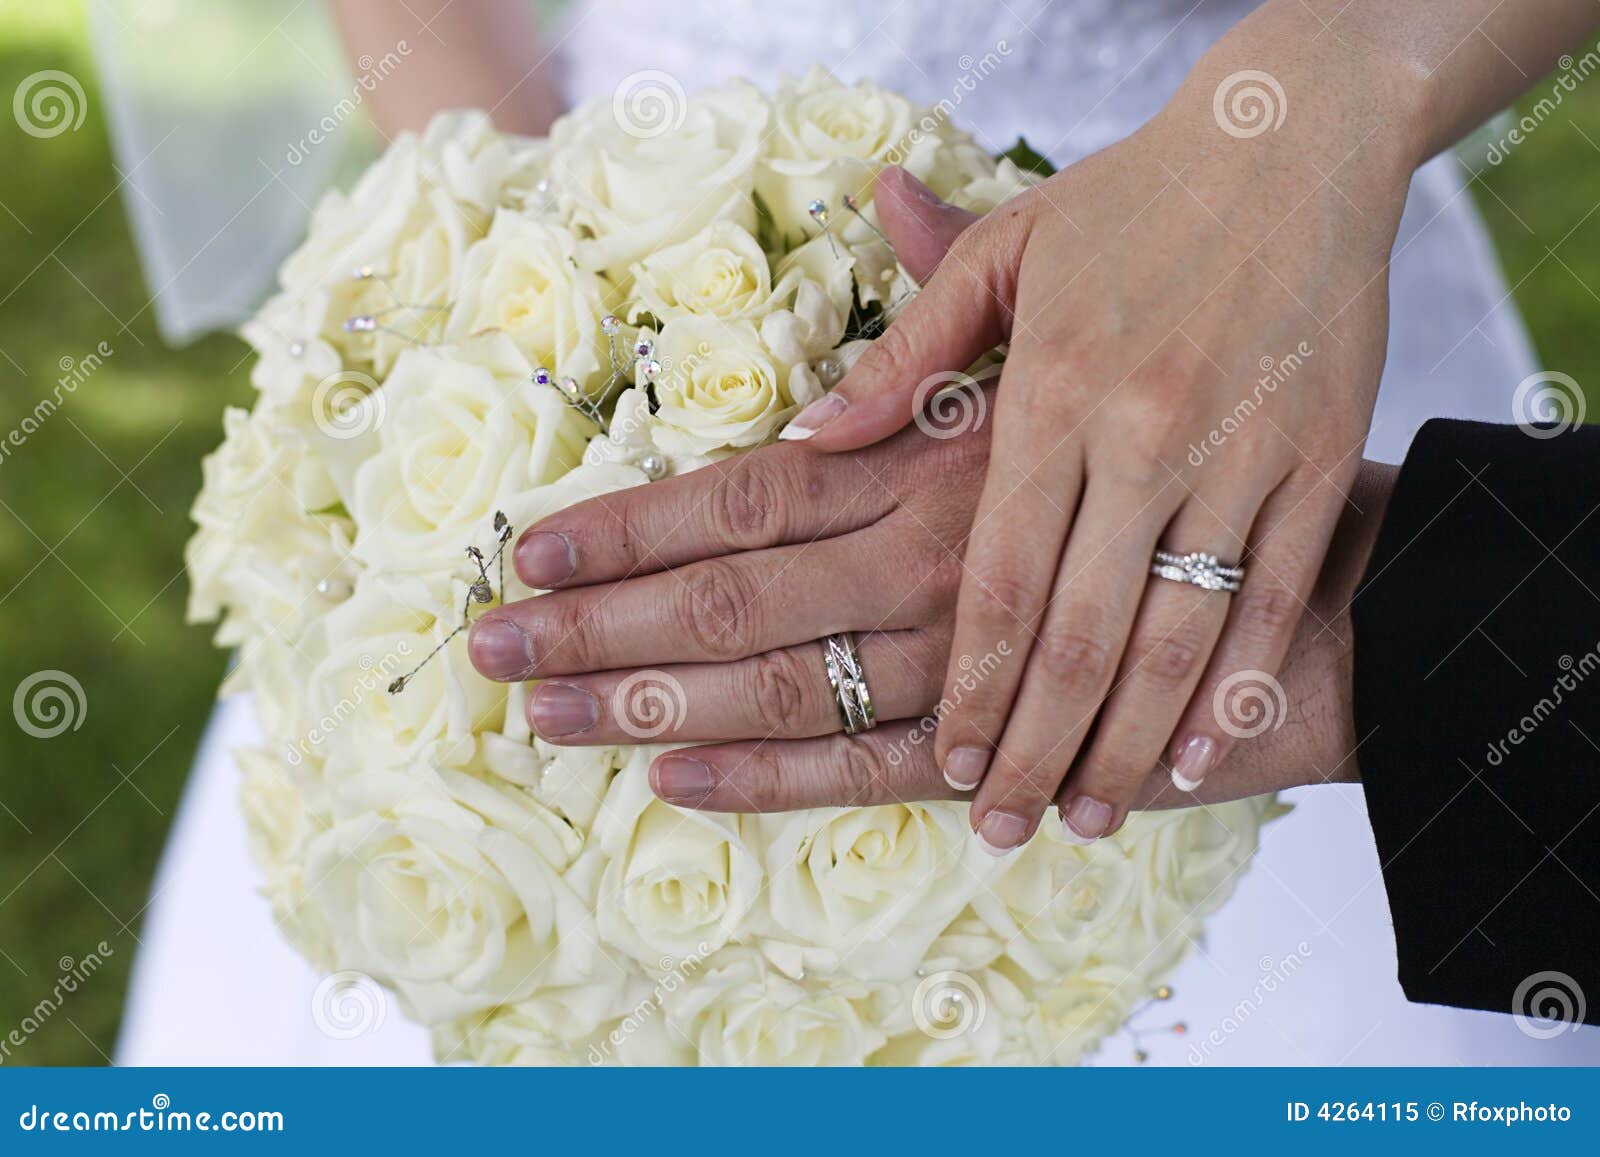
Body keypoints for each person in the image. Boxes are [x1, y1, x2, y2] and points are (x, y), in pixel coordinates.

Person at [113, 0, 1599, 1063]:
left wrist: (1313, 108)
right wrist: (572, 320)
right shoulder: (568, 313)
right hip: (622, 196)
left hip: (1272, 269)